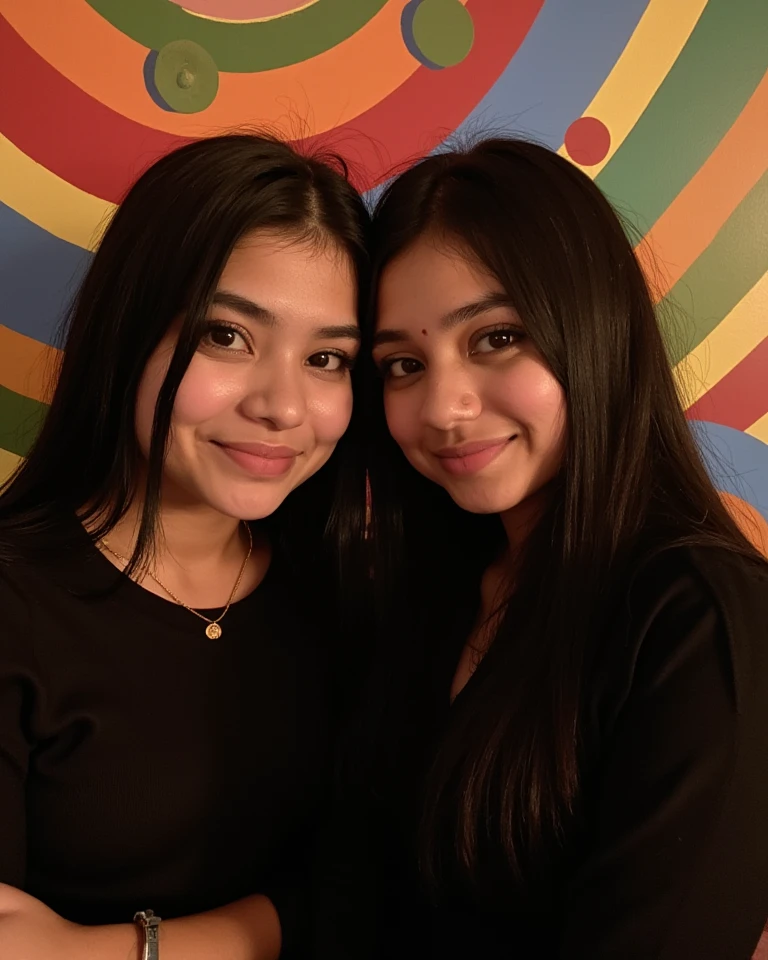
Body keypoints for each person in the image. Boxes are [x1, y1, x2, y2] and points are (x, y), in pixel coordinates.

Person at [318, 137, 768, 959]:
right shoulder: (432, 590)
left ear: (593, 329)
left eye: (495, 339)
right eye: (403, 364)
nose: (445, 407)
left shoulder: (696, 614)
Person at [0, 133, 369, 959]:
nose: (283, 406)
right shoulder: (15, 599)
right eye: (227, 336)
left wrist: (120, 950)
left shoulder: (355, 596)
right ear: (130, 331)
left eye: (326, 358)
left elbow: (386, 890)